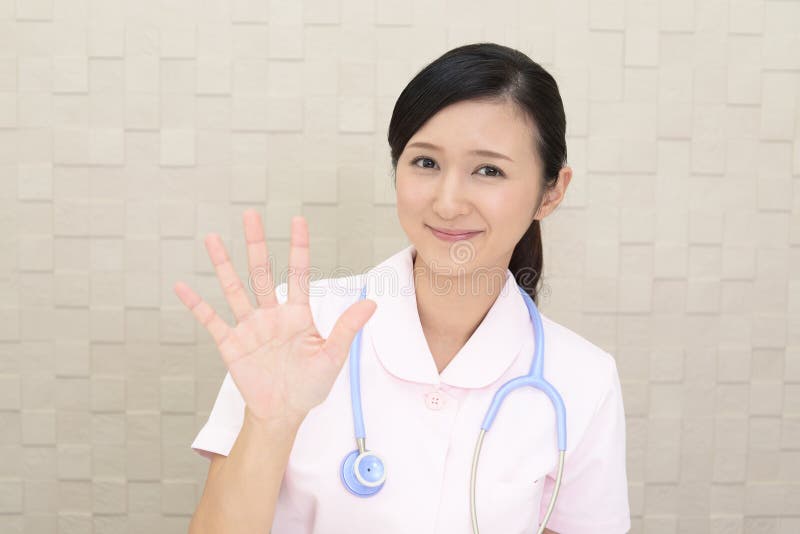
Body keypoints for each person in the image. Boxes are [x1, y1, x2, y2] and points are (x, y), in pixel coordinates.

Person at [177, 42, 631, 533]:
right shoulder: (297, 328)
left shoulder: (581, 380)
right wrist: (270, 426)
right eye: (426, 163)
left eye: (488, 170)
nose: (448, 202)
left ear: (552, 192)